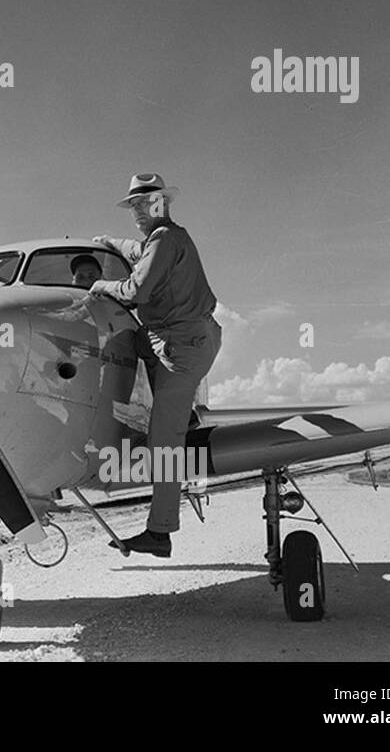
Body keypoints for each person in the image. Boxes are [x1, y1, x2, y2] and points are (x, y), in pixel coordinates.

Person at [88, 173, 221, 558]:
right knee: (134, 339)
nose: (138, 211)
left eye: (146, 203)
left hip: (183, 345)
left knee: (164, 444)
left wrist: (100, 287)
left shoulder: (164, 240)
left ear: (163, 203)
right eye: (134, 205)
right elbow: (136, 249)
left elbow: (136, 291)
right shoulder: (160, 240)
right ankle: (185, 415)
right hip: (175, 339)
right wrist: (108, 242)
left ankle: (160, 531)